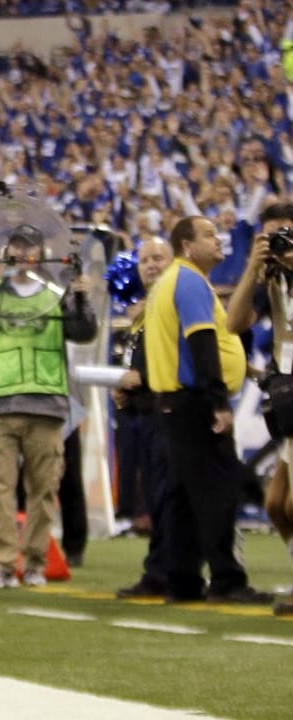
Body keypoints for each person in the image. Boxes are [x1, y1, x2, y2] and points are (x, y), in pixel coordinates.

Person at [0, 224, 97, 589]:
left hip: (46, 403)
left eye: (29, 249)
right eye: (16, 249)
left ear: (41, 254)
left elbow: (83, 331)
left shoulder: (58, 295)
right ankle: (1, 564)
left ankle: (33, 563)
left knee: (43, 491)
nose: (22, 256)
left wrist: (81, 298)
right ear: (6, 254)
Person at [145, 216, 271, 604]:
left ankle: (182, 581)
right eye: (209, 235)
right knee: (218, 492)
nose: (219, 241)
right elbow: (202, 344)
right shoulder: (189, 281)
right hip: (195, 402)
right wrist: (218, 401)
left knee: (184, 497)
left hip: (175, 404)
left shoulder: (173, 281)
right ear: (187, 246)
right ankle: (227, 580)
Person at [225, 202, 293, 613]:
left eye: (286, 233)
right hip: (288, 394)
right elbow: (233, 324)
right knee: (274, 505)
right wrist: (254, 266)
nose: (280, 243)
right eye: (271, 236)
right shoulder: (271, 280)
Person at [113, 237, 175, 599]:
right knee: (153, 495)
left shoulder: (172, 303)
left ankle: (167, 572)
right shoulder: (142, 312)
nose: (150, 264)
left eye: (158, 258)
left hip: (167, 409)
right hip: (145, 412)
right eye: (144, 260)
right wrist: (125, 389)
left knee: (167, 495)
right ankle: (159, 569)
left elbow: (177, 358)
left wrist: (144, 379)